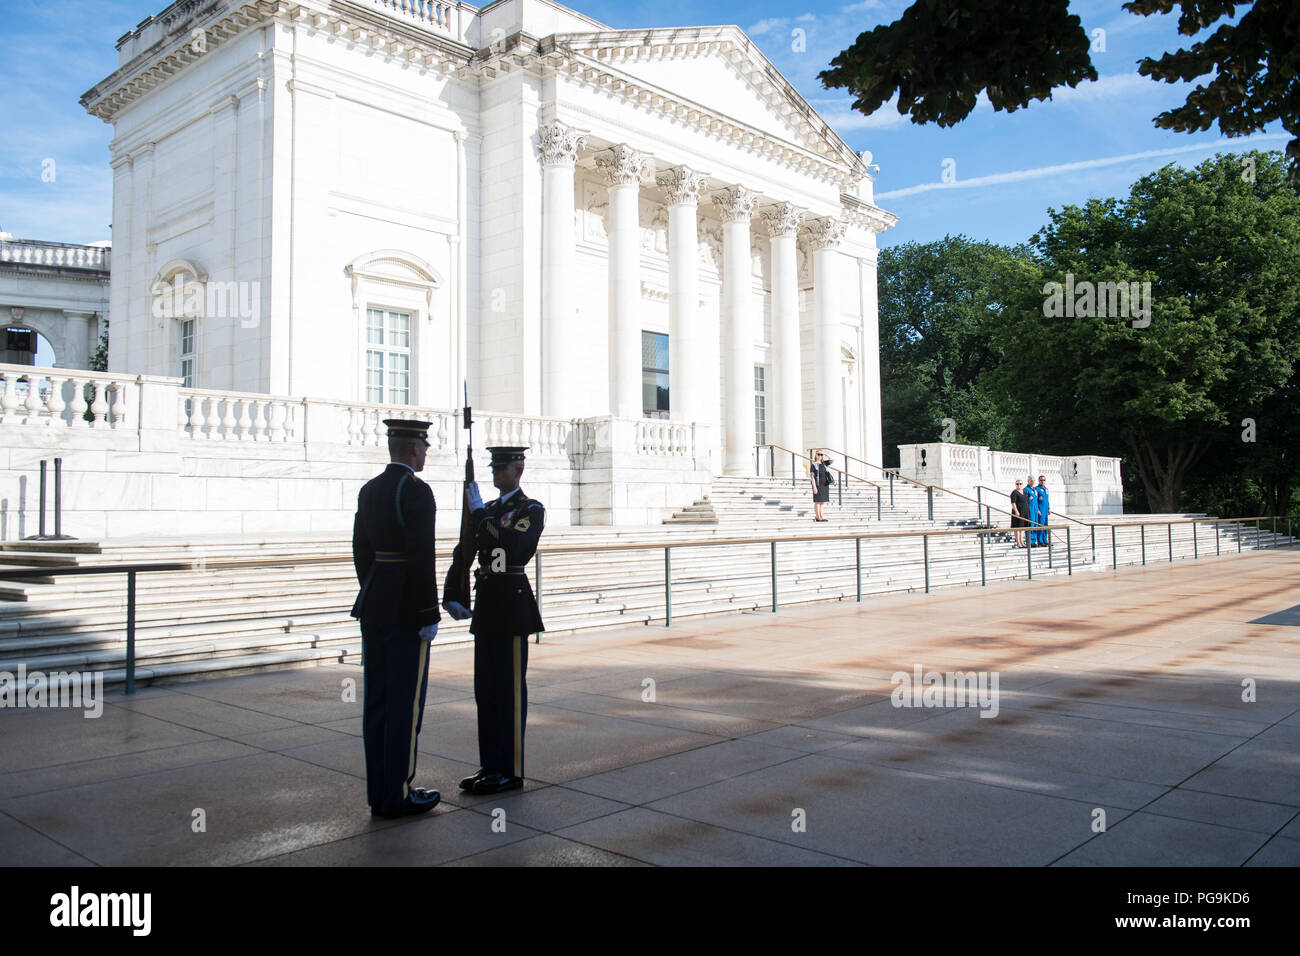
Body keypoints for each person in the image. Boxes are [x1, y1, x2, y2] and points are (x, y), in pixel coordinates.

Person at [350, 419, 441, 819]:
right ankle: (399, 793)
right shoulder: (417, 491)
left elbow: (360, 551)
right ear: (412, 450)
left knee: (378, 702)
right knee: (405, 704)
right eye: (424, 447)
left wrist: (375, 590)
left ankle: (378, 792)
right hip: (406, 609)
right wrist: (428, 612)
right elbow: (422, 557)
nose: (426, 454)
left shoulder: (369, 490)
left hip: (374, 605)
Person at [443, 446, 545, 795]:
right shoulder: (487, 510)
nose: (495, 474)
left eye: (502, 468)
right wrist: (452, 592)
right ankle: (490, 766)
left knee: (509, 691)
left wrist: (480, 517)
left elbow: (512, 549)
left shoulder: (530, 509)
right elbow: (465, 549)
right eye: (494, 468)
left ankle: (511, 770)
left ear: (518, 471)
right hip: (487, 606)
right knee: (485, 691)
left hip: (513, 608)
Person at [810, 451, 833, 522]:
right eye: (818, 454)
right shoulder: (813, 465)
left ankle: (821, 516)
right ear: (816, 455)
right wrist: (814, 487)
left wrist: (825, 454)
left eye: (821, 455)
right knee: (817, 501)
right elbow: (812, 477)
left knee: (822, 502)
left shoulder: (824, 463)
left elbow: (832, 460)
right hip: (817, 485)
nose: (820, 456)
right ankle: (818, 517)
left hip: (825, 484)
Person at [1010, 479, 1029, 548]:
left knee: (1023, 528)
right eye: (1017, 484)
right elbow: (1013, 503)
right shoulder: (1014, 492)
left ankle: (1022, 542)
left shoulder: (1024, 491)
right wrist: (1016, 511)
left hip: (1024, 512)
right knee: (1017, 527)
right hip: (1018, 512)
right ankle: (1018, 542)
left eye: (1020, 484)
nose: (1019, 485)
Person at [1035, 475, 1051, 546]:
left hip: (1045, 510)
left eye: (1044, 480)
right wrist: (1038, 509)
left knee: (1045, 525)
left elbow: (1047, 500)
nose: (1042, 481)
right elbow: (1035, 501)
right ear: (1039, 481)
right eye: (1041, 480)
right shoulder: (1036, 489)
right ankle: (1040, 540)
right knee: (1040, 525)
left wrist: (1049, 508)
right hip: (1040, 509)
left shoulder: (1046, 489)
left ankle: (1045, 540)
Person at [1024, 475, 1040, 547]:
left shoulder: (1035, 490)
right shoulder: (1026, 489)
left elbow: (1036, 501)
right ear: (1028, 481)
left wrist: (1038, 510)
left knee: (1035, 525)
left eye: (1033, 480)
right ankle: (1029, 541)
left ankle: (1034, 541)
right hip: (1030, 510)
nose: (1033, 481)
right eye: (1031, 480)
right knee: (1030, 525)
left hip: (1035, 509)